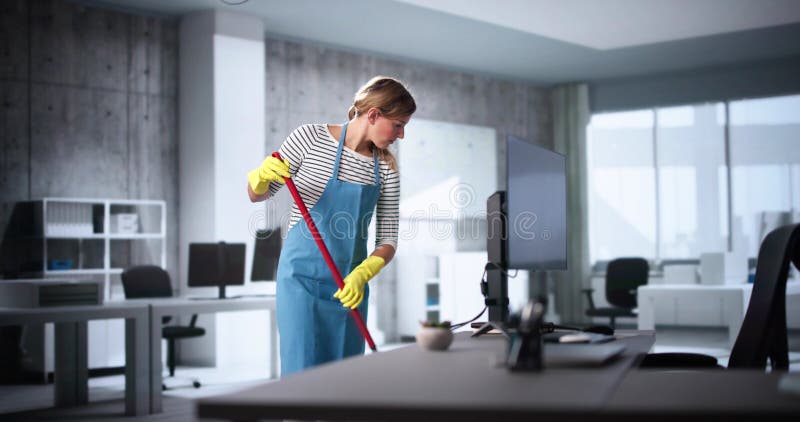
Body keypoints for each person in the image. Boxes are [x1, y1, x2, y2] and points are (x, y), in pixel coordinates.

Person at [247, 76, 416, 376]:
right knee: (301, 379)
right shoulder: (309, 138)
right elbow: (257, 194)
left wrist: (363, 273)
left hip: (348, 287)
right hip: (301, 281)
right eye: (398, 125)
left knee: (342, 381)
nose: (401, 135)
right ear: (374, 115)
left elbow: (388, 240)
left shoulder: (387, 169)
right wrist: (260, 176)